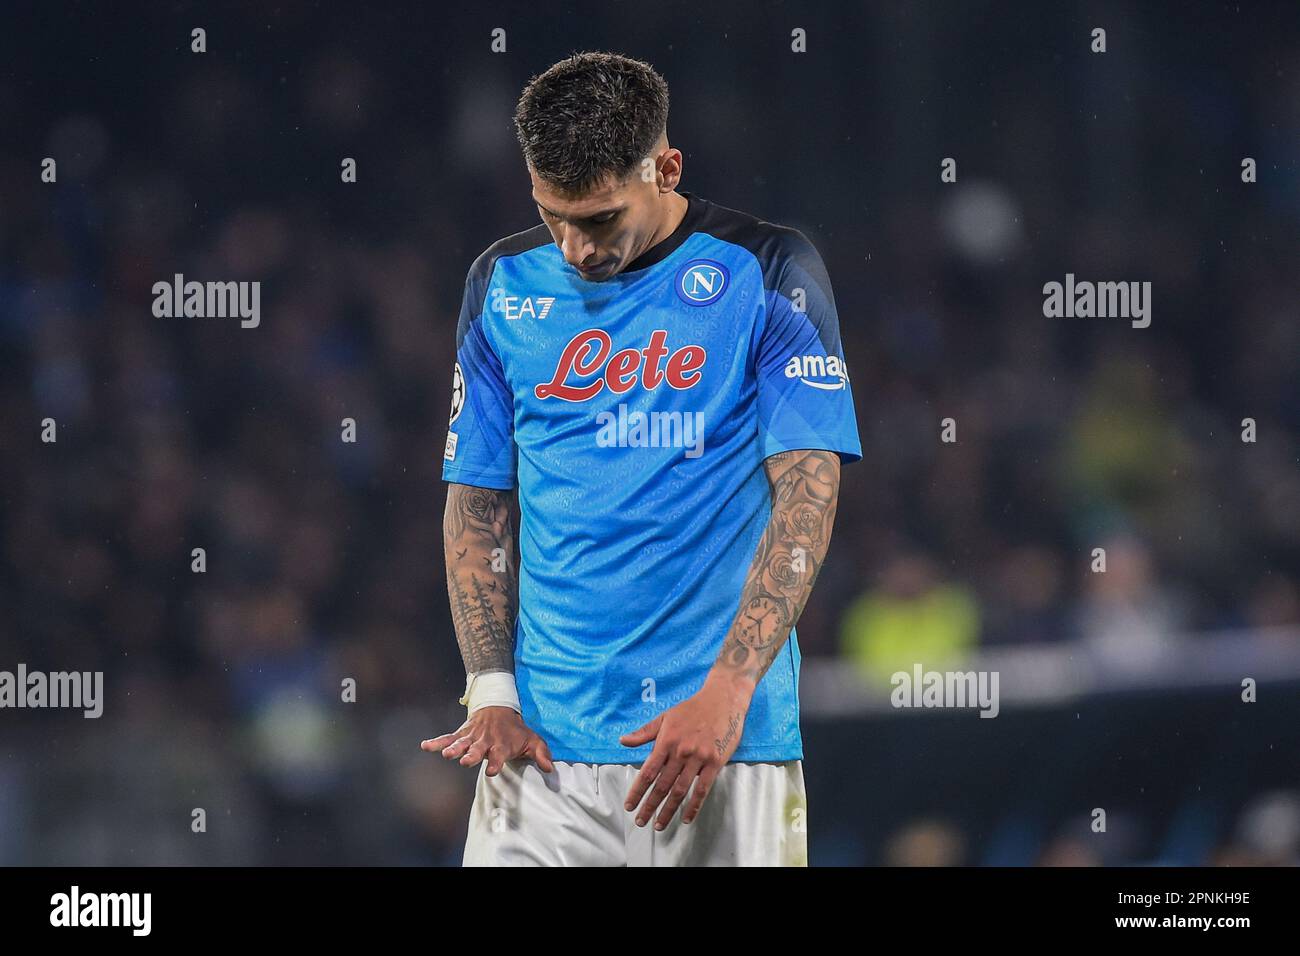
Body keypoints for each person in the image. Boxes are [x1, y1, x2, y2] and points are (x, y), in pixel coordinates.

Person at [422, 51, 861, 866]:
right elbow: (477, 502)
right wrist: (491, 688)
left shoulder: (771, 269)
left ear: (667, 169)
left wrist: (729, 692)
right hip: (541, 756)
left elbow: (809, 493)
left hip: (723, 745)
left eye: (599, 220)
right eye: (552, 215)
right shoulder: (501, 283)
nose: (575, 248)